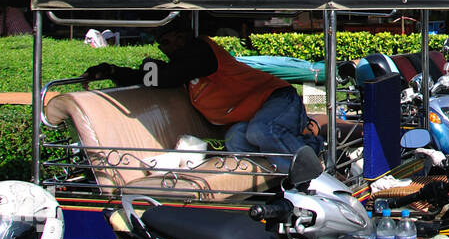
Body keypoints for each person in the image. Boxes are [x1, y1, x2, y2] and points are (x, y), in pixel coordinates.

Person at [85, 15, 318, 166]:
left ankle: (311, 178)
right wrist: (113, 71)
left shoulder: (200, 53)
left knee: (261, 131)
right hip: (253, 113)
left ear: (181, 37)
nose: (163, 49)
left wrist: (148, 65)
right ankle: (278, 184)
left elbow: (162, 77)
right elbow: (151, 77)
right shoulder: (183, 68)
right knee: (235, 140)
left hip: (277, 99)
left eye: (164, 43)